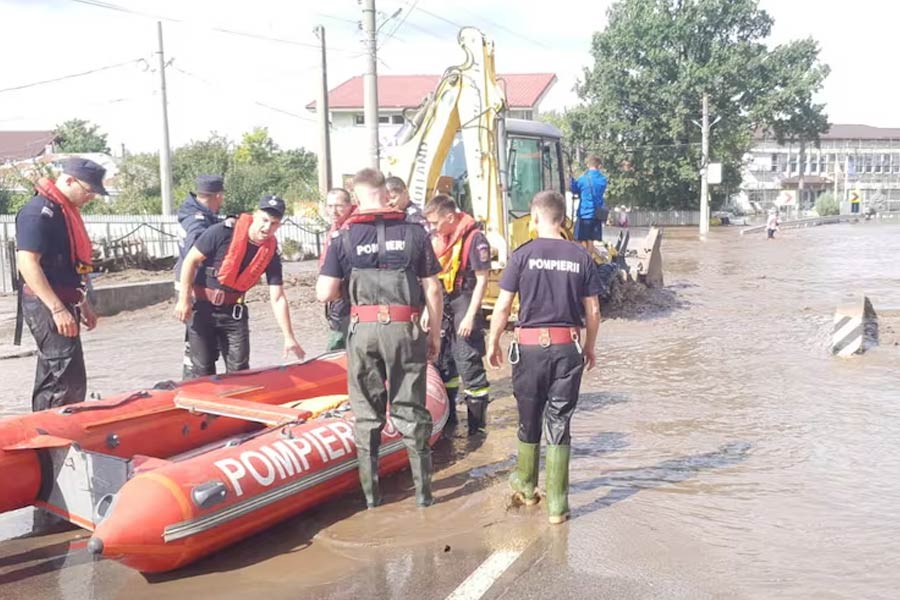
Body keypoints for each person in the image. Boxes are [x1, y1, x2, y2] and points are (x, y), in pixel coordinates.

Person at [316, 168, 443, 508]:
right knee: (411, 410)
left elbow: (325, 292)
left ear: (356, 197)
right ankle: (423, 497)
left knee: (367, 415)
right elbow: (432, 286)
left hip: (363, 330)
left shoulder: (343, 237)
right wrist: (435, 332)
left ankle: (372, 500)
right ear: (386, 193)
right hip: (405, 328)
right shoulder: (415, 232)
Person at [487, 190, 601, 525]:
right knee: (560, 421)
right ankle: (557, 505)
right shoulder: (580, 257)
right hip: (568, 348)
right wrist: (590, 347)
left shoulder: (522, 255)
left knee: (528, 415)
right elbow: (593, 310)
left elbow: (504, 306)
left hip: (530, 348)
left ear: (534, 219)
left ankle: (525, 486)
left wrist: (493, 341)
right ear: (563, 220)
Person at [174, 195, 305, 376]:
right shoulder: (221, 232)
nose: (267, 227)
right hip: (202, 309)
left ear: (279, 226)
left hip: (233, 313)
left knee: (240, 371)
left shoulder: (270, 252)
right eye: (264, 220)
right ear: (255, 215)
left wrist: (289, 337)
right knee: (202, 369)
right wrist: (184, 300)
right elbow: (190, 261)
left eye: (274, 223)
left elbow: (278, 297)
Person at [15, 157, 106, 411]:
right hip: (47, 304)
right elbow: (27, 263)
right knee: (64, 378)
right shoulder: (38, 212)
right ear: (69, 180)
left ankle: (45, 435)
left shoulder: (64, 213)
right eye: (89, 191)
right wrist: (56, 309)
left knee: (58, 373)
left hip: (66, 299)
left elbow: (70, 267)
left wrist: (83, 303)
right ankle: (54, 442)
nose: (91, 198)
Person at [424, 194, 491, 434]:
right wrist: (426, 310)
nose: (432, 228)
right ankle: (449, 423)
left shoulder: (475, 239)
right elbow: (433, 280)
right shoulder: (438, 240)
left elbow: (483, 281)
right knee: (443, 363)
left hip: (465, 299)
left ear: (450, 217)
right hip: (444, 303)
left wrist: (471, 316)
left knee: (468, 361)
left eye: (435, 222)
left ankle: (477, 430)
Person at [175, 175, 225, 379]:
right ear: (218, 196)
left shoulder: (195, 214)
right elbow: (193, 258)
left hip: (193, 286)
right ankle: (193, 386)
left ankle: (193, 382)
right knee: (199, 344)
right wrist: (185, 299)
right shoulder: (197, 222)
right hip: (192, 288)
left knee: (198, 344)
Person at [319, 188, 357, 351]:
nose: (333, 211)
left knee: (339, 345)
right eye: (330, 206)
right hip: (336, 297)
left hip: (348, 296)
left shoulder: (354, 228)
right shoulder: (336, 227)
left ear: (350, 205)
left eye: (339, 206)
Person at [570, 155, 608, 251]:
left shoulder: (583, 179)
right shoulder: (603, 180)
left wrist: (571, 180)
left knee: (580, 240)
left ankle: (583, 261)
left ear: (588, 165)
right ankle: (589, 260)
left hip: (584, 214)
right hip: (597, 215)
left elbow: (574, 189)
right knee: (590, 240)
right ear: (599, 166)